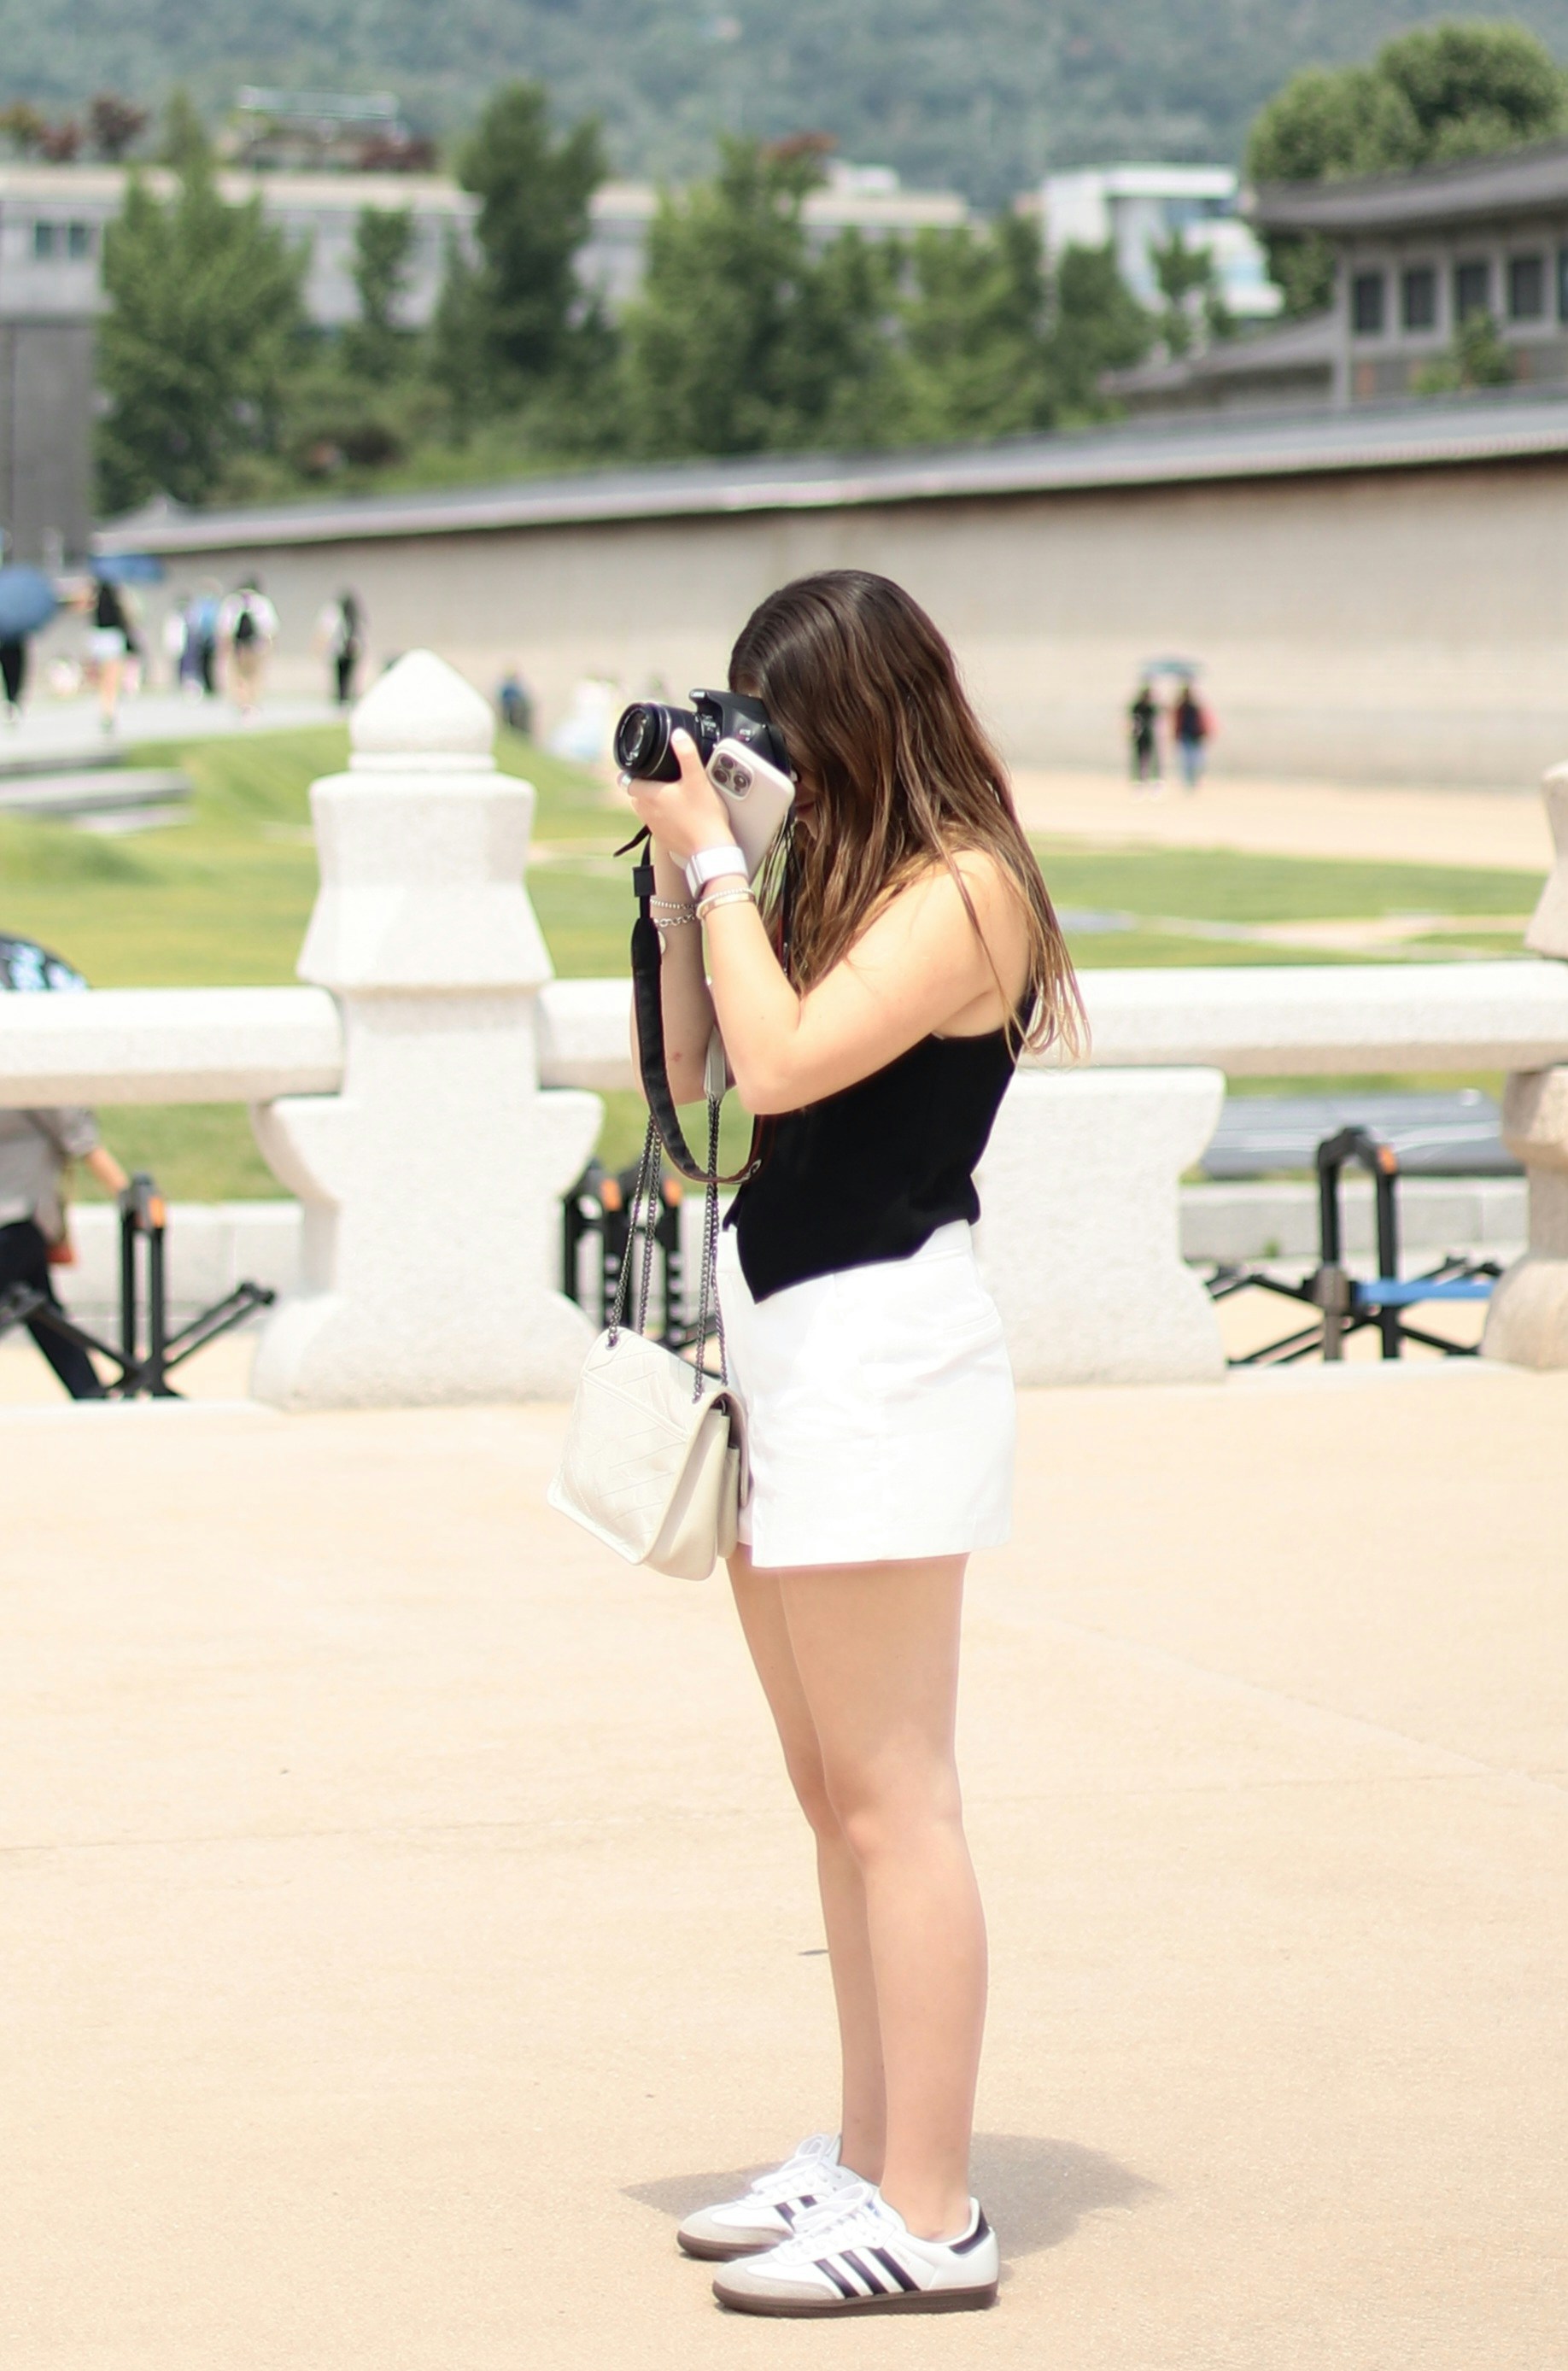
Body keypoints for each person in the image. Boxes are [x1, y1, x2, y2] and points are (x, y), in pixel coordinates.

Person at [621, 570, 1084, 2318]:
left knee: (900, 1796)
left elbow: (799, 1058)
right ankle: (869, 2149)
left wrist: (731, 866)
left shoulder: (968, 888)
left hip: (885, 1354)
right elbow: (707, 1068)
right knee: (833, 1792)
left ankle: (937, 2208)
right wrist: (689, 878)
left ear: (864, 710)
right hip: (787, 1353)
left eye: (779, 718)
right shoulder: (833, 877)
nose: (761, 749)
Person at [0, 1106, 129, 1398]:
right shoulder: (33, 1075)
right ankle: (89, 1392)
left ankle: (91, 1392)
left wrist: (128, 1193)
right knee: (43, 1312)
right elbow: (82, 1138)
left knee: (42, 1311)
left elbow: (81, 1139)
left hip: (18, 1214)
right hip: (17, 1214)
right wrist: (127, 1191)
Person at [218, 579, 278, 717]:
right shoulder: (262, 603)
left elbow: (225, 629)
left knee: (238, 676)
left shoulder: (232, 602)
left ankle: (242, 702)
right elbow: (270, 628)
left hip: (237, 647)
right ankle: (252, 703)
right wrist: (270, 648)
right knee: (254, 676)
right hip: (256, 647)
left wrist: (224, 649)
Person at [88, 575, 132, 733]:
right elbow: (127, 621)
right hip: (113, 639)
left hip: (99, 639)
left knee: (103, 680)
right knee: (113, 679)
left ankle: (104, 709)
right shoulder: (117, 604)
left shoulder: (95, 604)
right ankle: (110, 710)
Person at [313, 589, 364, 705]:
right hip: (344, 650)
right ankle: (343, 697)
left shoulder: (345, 615)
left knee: (344, 675)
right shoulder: (344, 614)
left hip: (344, 649)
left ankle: (344, 697)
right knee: (344, 675)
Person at [1172, 681, 1209, 791]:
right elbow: (1177, 722)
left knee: (1197, 761)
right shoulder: (1180, 707)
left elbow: (1203, 720)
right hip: (1186, 736)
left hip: (1196, 736)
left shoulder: (1196, 706)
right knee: (1187, 761)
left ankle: (1194, 780)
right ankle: (1189, 782)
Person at [1129, 679, 1160, 785]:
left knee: (1152, 759)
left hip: (1150, 736)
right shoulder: (1137, 707)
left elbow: (1157, 721)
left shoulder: (1152, 708)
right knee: (1138, 760)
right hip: (1139, 737)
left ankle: (1153, 780)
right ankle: (1138, 780)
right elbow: (1133, 721)